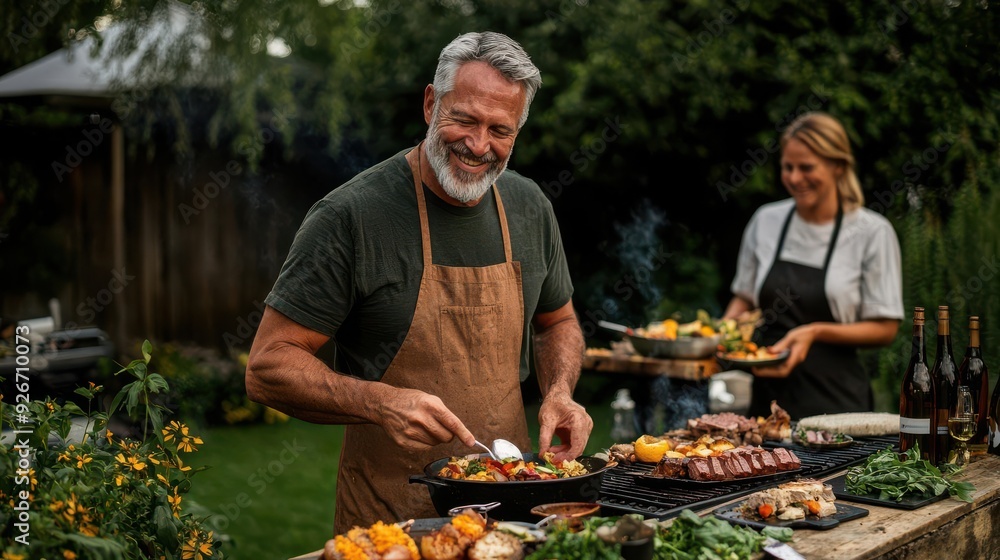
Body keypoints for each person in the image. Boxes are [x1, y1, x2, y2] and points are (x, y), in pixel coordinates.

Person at [245, 31, 592, 533]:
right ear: (431, 103)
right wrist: (379, 401)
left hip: (513, 515)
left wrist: (559, 392)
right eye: (465, 119)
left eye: (501, 129)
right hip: (390, 520)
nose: (479, 146)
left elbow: (557, 321)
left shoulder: (530, 206)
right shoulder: (351, 216)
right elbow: (267, 367)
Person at [723, 112, 903, 420]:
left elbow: (885, 329)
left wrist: (815, 332)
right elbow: (745, 300)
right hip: (766, 410)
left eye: (806, 167)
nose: (794, 178)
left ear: (838, 167)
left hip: (837, 409)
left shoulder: (871, 232)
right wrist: (716, 337)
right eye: (787, 167)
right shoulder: (766, 221)